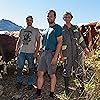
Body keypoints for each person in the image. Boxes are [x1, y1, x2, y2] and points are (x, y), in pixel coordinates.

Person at [32, 10, 63, 99]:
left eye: (51, 16)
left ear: (55, 17)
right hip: (44, 53)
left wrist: (55, 56)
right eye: (48, 16)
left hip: (51, 53)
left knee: (52, 75)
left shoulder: (57, 28)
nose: (49, 17)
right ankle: (38, 92)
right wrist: (40, 53)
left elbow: (60, 42)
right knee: (40, 73)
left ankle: (51, 94)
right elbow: (43, 44)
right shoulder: (45, 30)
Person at [61, 11, 89, 95]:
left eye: (68, 17)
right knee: (67, 70)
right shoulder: (61, 30)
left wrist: (85, 48)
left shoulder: (75, 28)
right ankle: (67, 90)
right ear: (63, 19)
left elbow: (80, 39)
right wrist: (60, 55)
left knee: (79, 70)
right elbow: (59, 43)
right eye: (65, 17)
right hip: (67, 53)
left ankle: (82, 88)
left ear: (71, 18)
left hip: (77, 52)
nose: (67, 18)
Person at [15, 16, 40, 90]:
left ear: (32, 21)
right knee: (19, 68)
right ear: (26, 21)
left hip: (31, 52)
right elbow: (19, 41)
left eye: (30, 20)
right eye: (28, 20)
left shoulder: (35, 30)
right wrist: (16, 49)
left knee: (31, 68)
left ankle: (30, 83)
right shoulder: (22, 30)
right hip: (22, 52)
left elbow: (38, 42)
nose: (29, 21)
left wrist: (36, 51)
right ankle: (19, 82)